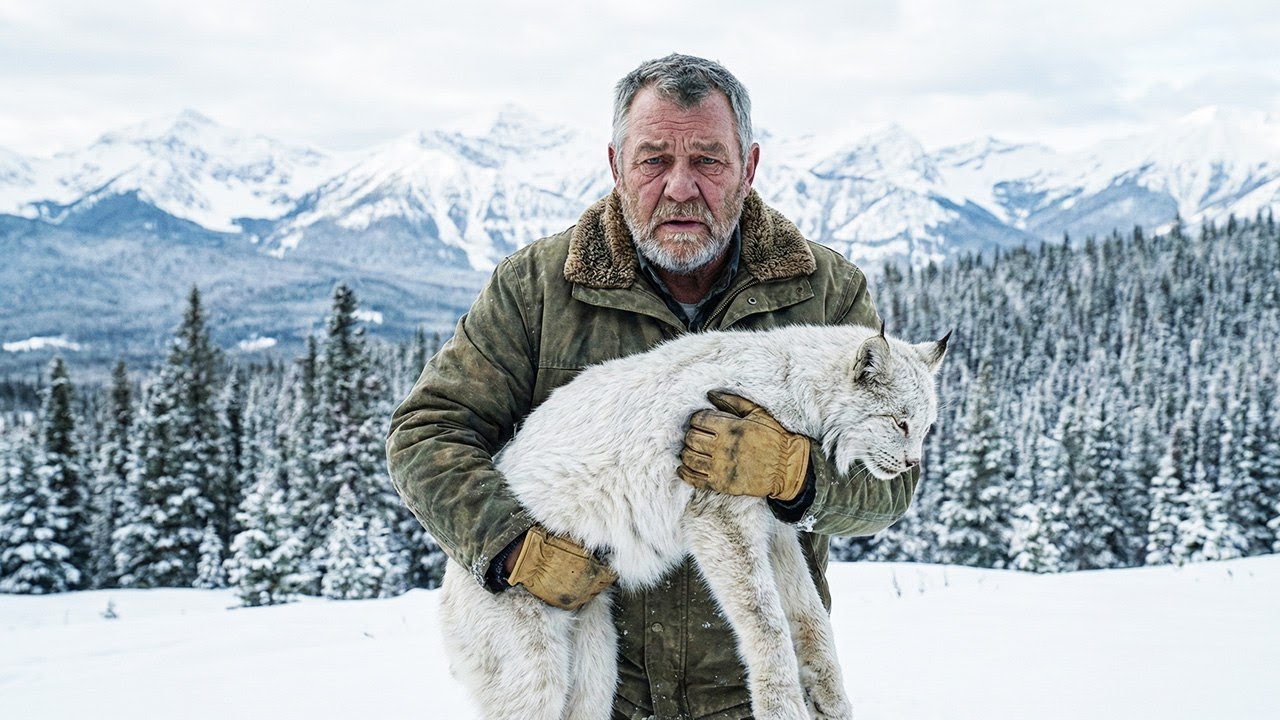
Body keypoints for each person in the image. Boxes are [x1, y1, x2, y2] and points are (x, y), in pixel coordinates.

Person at [387, 53, 921, 720]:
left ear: (748, 168)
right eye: (652, 161)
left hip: (746, 698)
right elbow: (428, 433)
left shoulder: (825, 294)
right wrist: (509, 546)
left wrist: (797, 474)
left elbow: (889, 489)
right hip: (600, 691)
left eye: (708, 160)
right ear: (616, 165)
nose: (679, 187)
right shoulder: (537, 288)